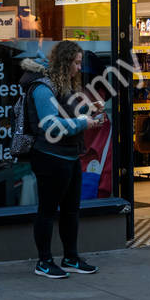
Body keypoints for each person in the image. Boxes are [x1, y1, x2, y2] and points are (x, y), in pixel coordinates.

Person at [22, 42, 106, 279]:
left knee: (71, 210)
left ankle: (70, 257)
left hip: (69, 155)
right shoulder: (42, 87)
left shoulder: (62, 84)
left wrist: (90, 110)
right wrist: (83, 123)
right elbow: (50, 124)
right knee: (47, 211)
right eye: (76, 63)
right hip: (49, 157)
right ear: (64, 62)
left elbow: (67, 113)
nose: (79, 68)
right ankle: (44, 261)